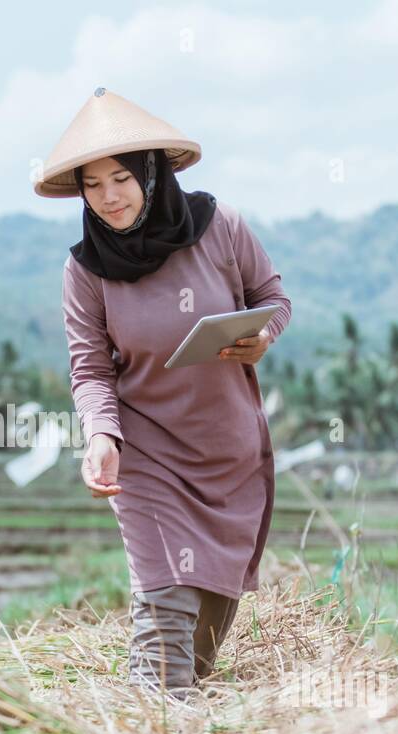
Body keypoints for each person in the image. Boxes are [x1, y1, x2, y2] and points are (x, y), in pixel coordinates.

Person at [35, 88, 292, 701]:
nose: (110, 196)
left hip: (227, 452)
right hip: (146, 454)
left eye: (121, 177)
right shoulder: (85, 270)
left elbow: (275, 301)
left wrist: (260, 336)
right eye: (93, 185)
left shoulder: (221, 227)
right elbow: (90, 368)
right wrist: (101, 435)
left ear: (152, 172)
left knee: (205, 630)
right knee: (163, 611)